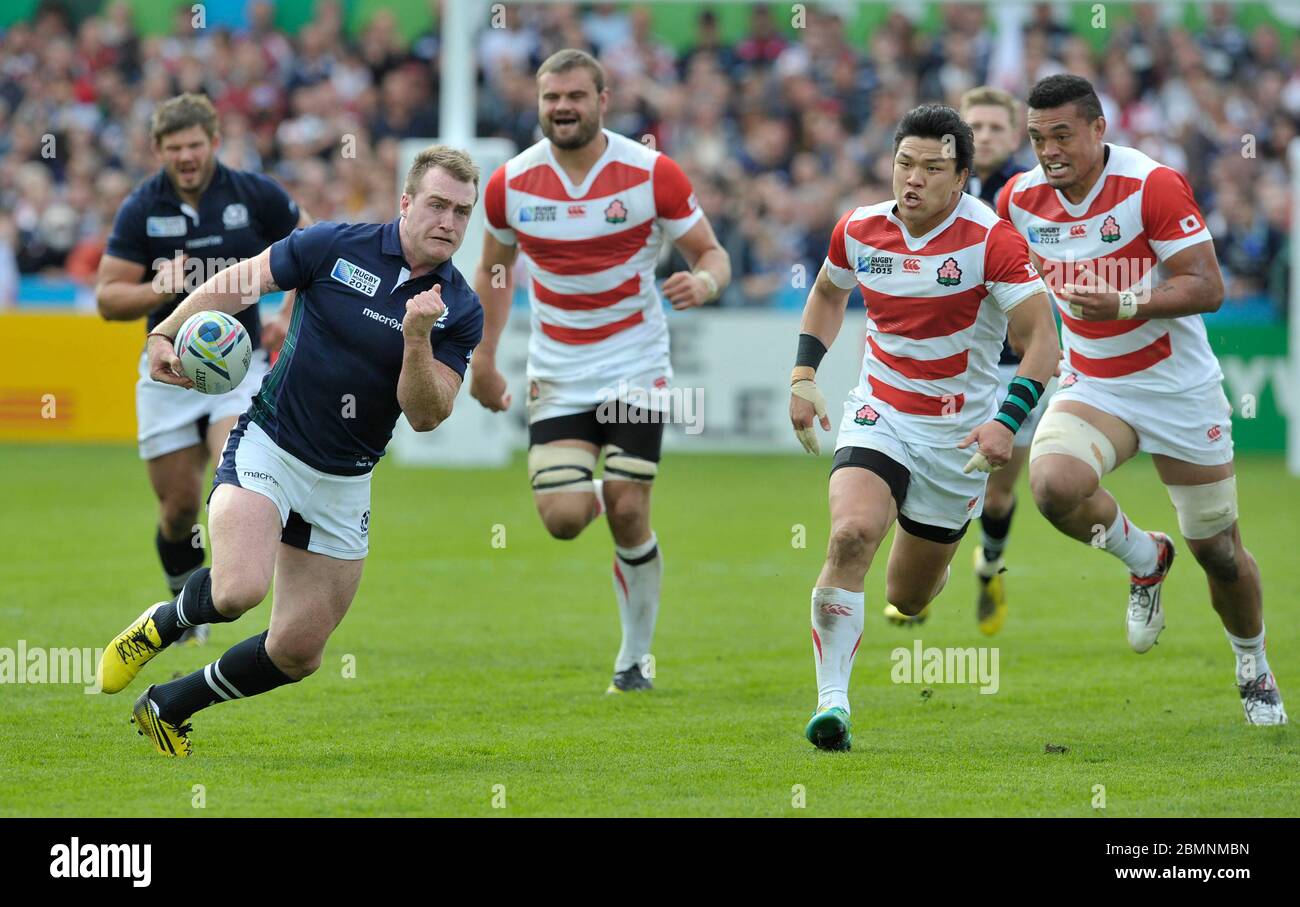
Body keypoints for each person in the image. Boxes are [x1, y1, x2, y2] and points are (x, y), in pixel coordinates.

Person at [95, 146, 485, 755]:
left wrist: (416, 338)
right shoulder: (334, 244)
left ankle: (169, 705)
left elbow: (429, 413)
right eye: (437, 205)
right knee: (236, 591)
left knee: (299, 652)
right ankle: (159, 626)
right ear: (406, 203)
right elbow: (241, 280)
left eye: (463, 212)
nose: (449, 223)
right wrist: (166, 330)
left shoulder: (458, 308)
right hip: (271, 444)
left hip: (346, 480)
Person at [1004, 74, 1286, 725]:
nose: (1050, 151)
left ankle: (1251, 660)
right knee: (1052, 486)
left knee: (1217, 549)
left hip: (1176, 387)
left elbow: (1209, 286)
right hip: (1093, 382)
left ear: (1100, 130)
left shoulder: (1150, 184)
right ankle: (1143, 555)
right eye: (1038, 137)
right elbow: (1006, 286)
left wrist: (1128, 299)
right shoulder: (1018, 198)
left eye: (1063, 135)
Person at [790, 105, 1059, 751]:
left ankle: (947, 566)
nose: (912, 179)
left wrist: (1007, 421)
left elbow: (1042, 342)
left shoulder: (992, 241)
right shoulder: (858, 228)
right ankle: (833, 704)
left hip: (957, 438)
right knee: (851, 533)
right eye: (904, 164)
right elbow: (829, 293)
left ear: (962, 177)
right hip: (880, 410)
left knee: (908, 596)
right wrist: (804, 374)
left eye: (932, 168)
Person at [470, 49, 731, 694]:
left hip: (635, 363)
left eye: (575, 96)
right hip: (556, 368)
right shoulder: (511, 183)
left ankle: (634, 661)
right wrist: (483, 355)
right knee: (560, 518)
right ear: (539, 103)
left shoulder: (650, 174)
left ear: (602, 100)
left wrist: (703, 281)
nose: (562, 107)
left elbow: (713, 253)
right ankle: (596, 492)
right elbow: (495, 271)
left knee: (626, 506)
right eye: (551, 97)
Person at [95, 93, 309, 644]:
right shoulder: (142, 208)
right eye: (174, 148)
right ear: (157, 150)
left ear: (215, 142)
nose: (186, 156)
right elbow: (107, 299)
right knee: (178, 507)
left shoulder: (255, 195)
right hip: (164, 371)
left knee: (230, 471)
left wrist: (286, 312)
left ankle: (240, 584)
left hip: (239, 367)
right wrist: (154, 289)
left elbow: (313, 247)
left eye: (195, 145)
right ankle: (181, 593)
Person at [885, 86, 1049, 634]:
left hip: (1014, 362)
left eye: (996, 127)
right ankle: (922, 576)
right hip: (944, 366)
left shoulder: (1029, 194)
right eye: (973, 126)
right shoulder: (933, 186)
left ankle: (988, 568)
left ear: (1014, 135)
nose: (984, 135)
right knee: (915, 465)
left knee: (998, 489)